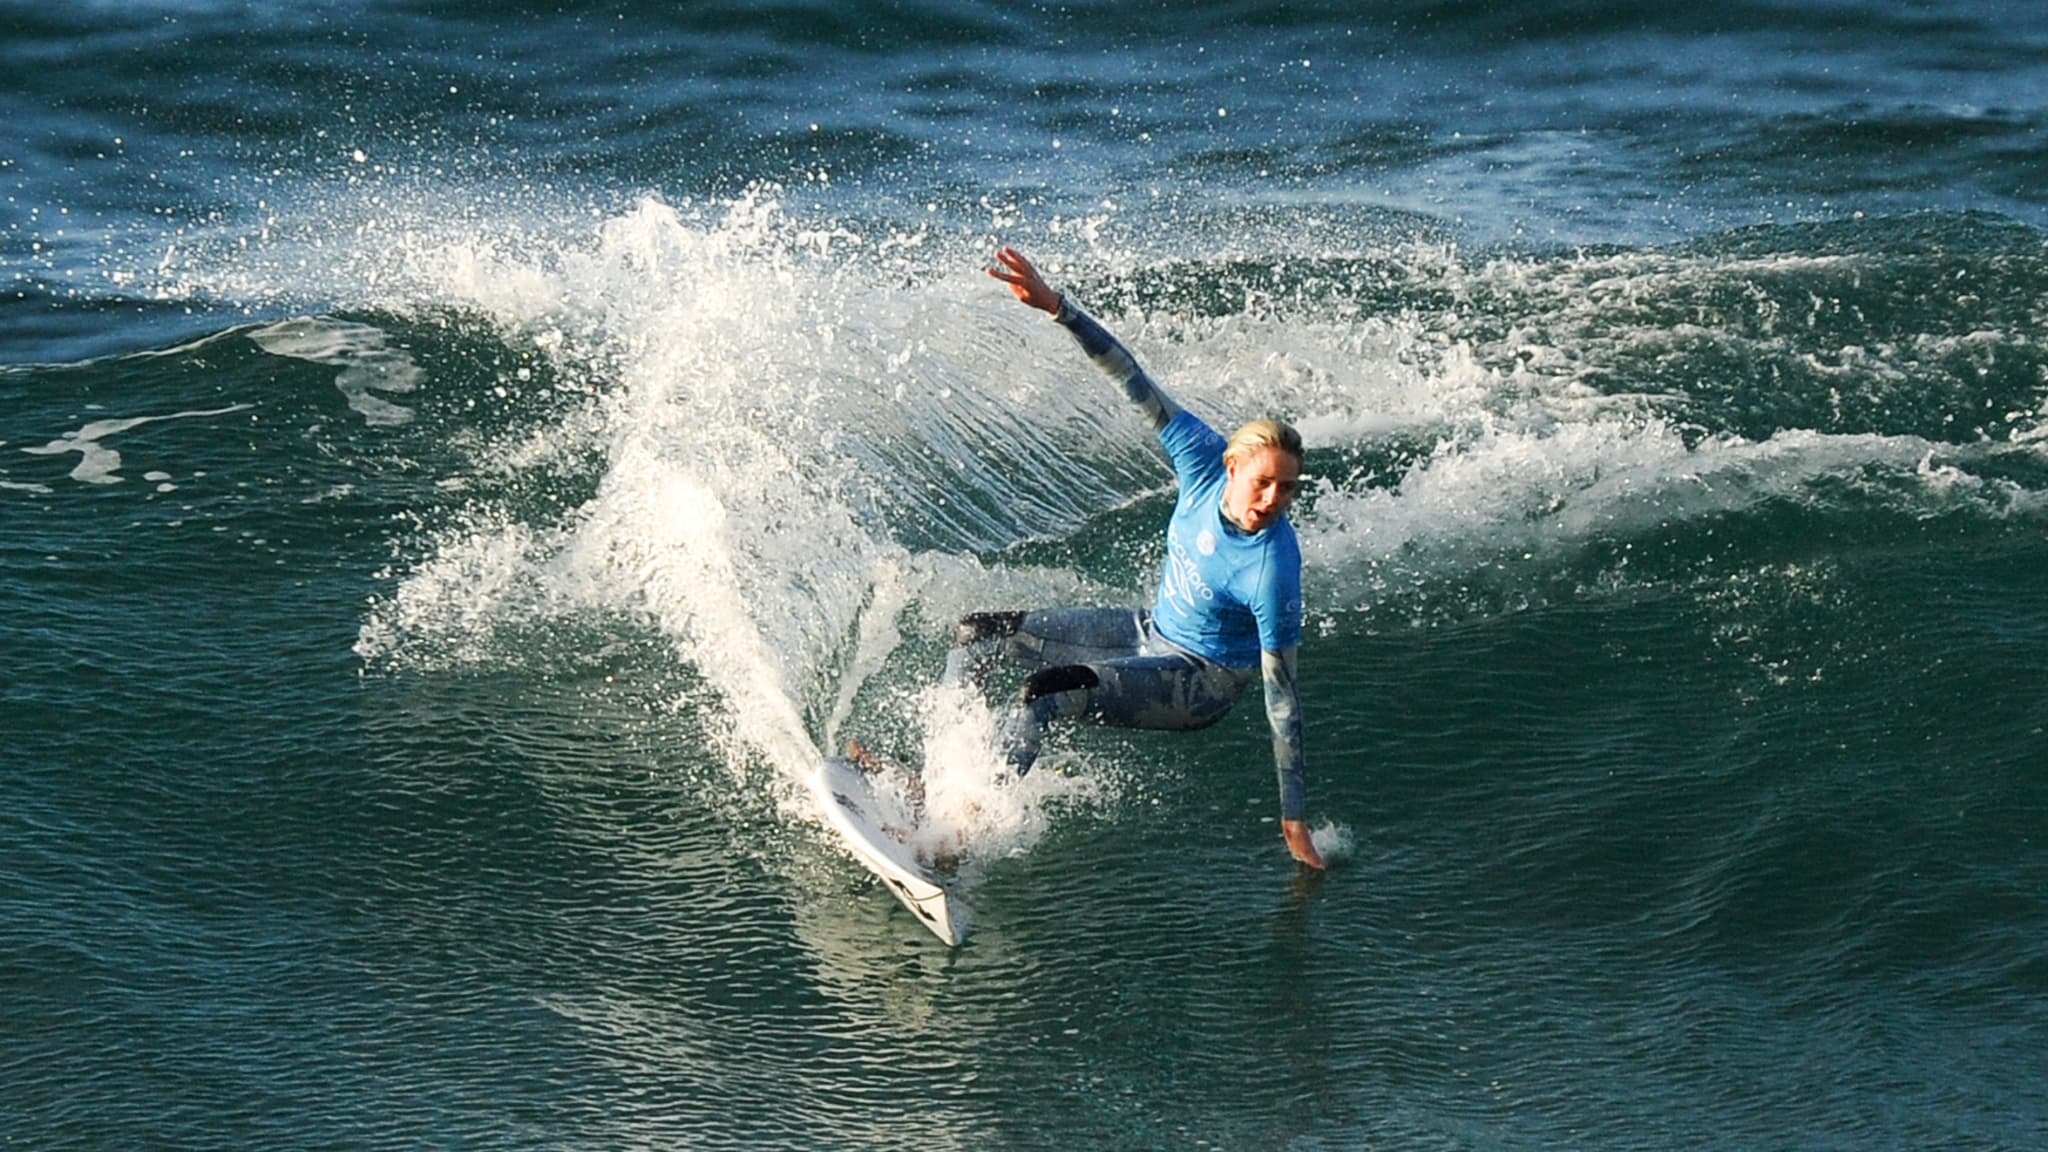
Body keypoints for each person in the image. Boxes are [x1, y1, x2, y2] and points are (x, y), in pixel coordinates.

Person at [956, 246, 1325, 869]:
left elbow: (1281, 699)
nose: (1273, 499)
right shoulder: (1202, 458)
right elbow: (1131, 377)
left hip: (1197, 684)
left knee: (1044, 692)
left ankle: (965, 834)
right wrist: (1057, 309)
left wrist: (1295, 821)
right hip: (1146, 631)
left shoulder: (1273, 567)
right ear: (1231, 467)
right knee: (976, 634)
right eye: (1263, 482)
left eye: (1287, 488)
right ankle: (944, 778)